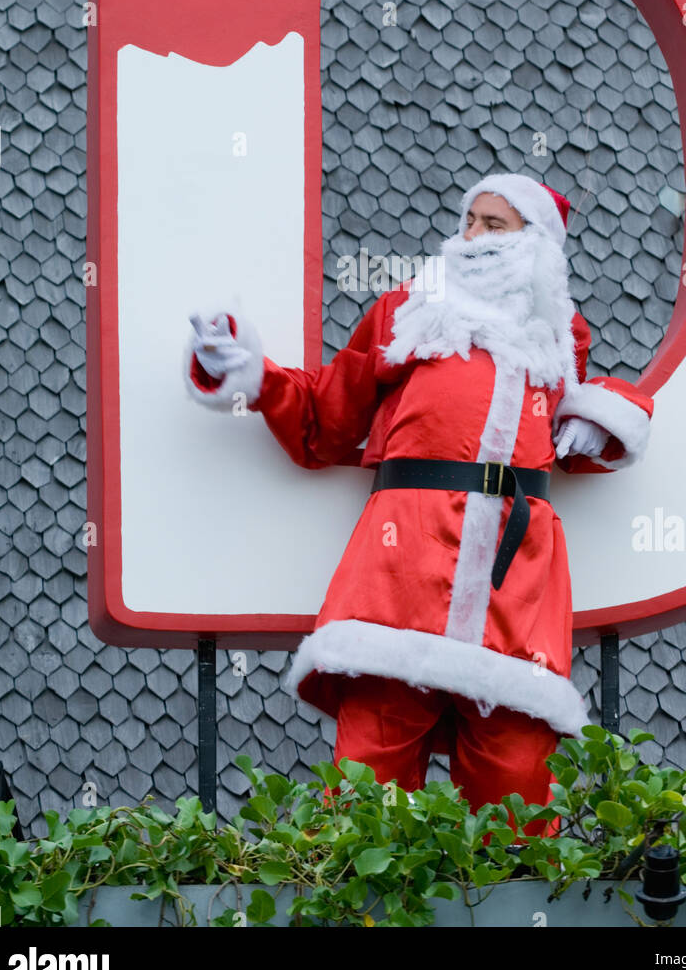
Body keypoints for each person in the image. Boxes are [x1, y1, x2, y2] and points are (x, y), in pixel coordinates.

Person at [185, 173, 653, 833]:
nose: (474, 238)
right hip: (401, 570)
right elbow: (326, 418)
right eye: (470, 222)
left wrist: (604, 416)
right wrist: (255, 377)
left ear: (540, 243)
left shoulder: (559, 335)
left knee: (517, 775)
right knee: (369, 770)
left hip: (514, 576)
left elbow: (579, 430)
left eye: (496, 225)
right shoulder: (404, 312)